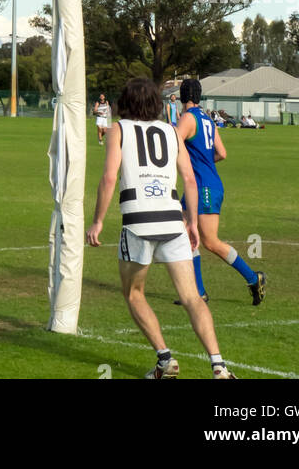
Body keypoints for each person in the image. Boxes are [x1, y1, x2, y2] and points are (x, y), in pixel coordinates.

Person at [86, 76, 235, 380]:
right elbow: (190, 180)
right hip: (173, 219)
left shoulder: (118, 130)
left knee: (134, 293)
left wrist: (98, 221)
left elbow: (109, 178)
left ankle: (165, 359)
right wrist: (192, 222)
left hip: (139, 221)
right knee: (192, 297)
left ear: (124, 102)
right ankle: (219, 366)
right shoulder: (170, 130)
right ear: (155, 103)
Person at [176, 78, 266, 306]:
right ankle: (198, 292)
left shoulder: (187, 118)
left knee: (210, 242)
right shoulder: (207, 119)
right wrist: (204, 162)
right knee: (187, 237)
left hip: (203, 187)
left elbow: (173, 144)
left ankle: (253, 277)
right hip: (201, 184)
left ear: (184, 95)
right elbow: (222, 153)